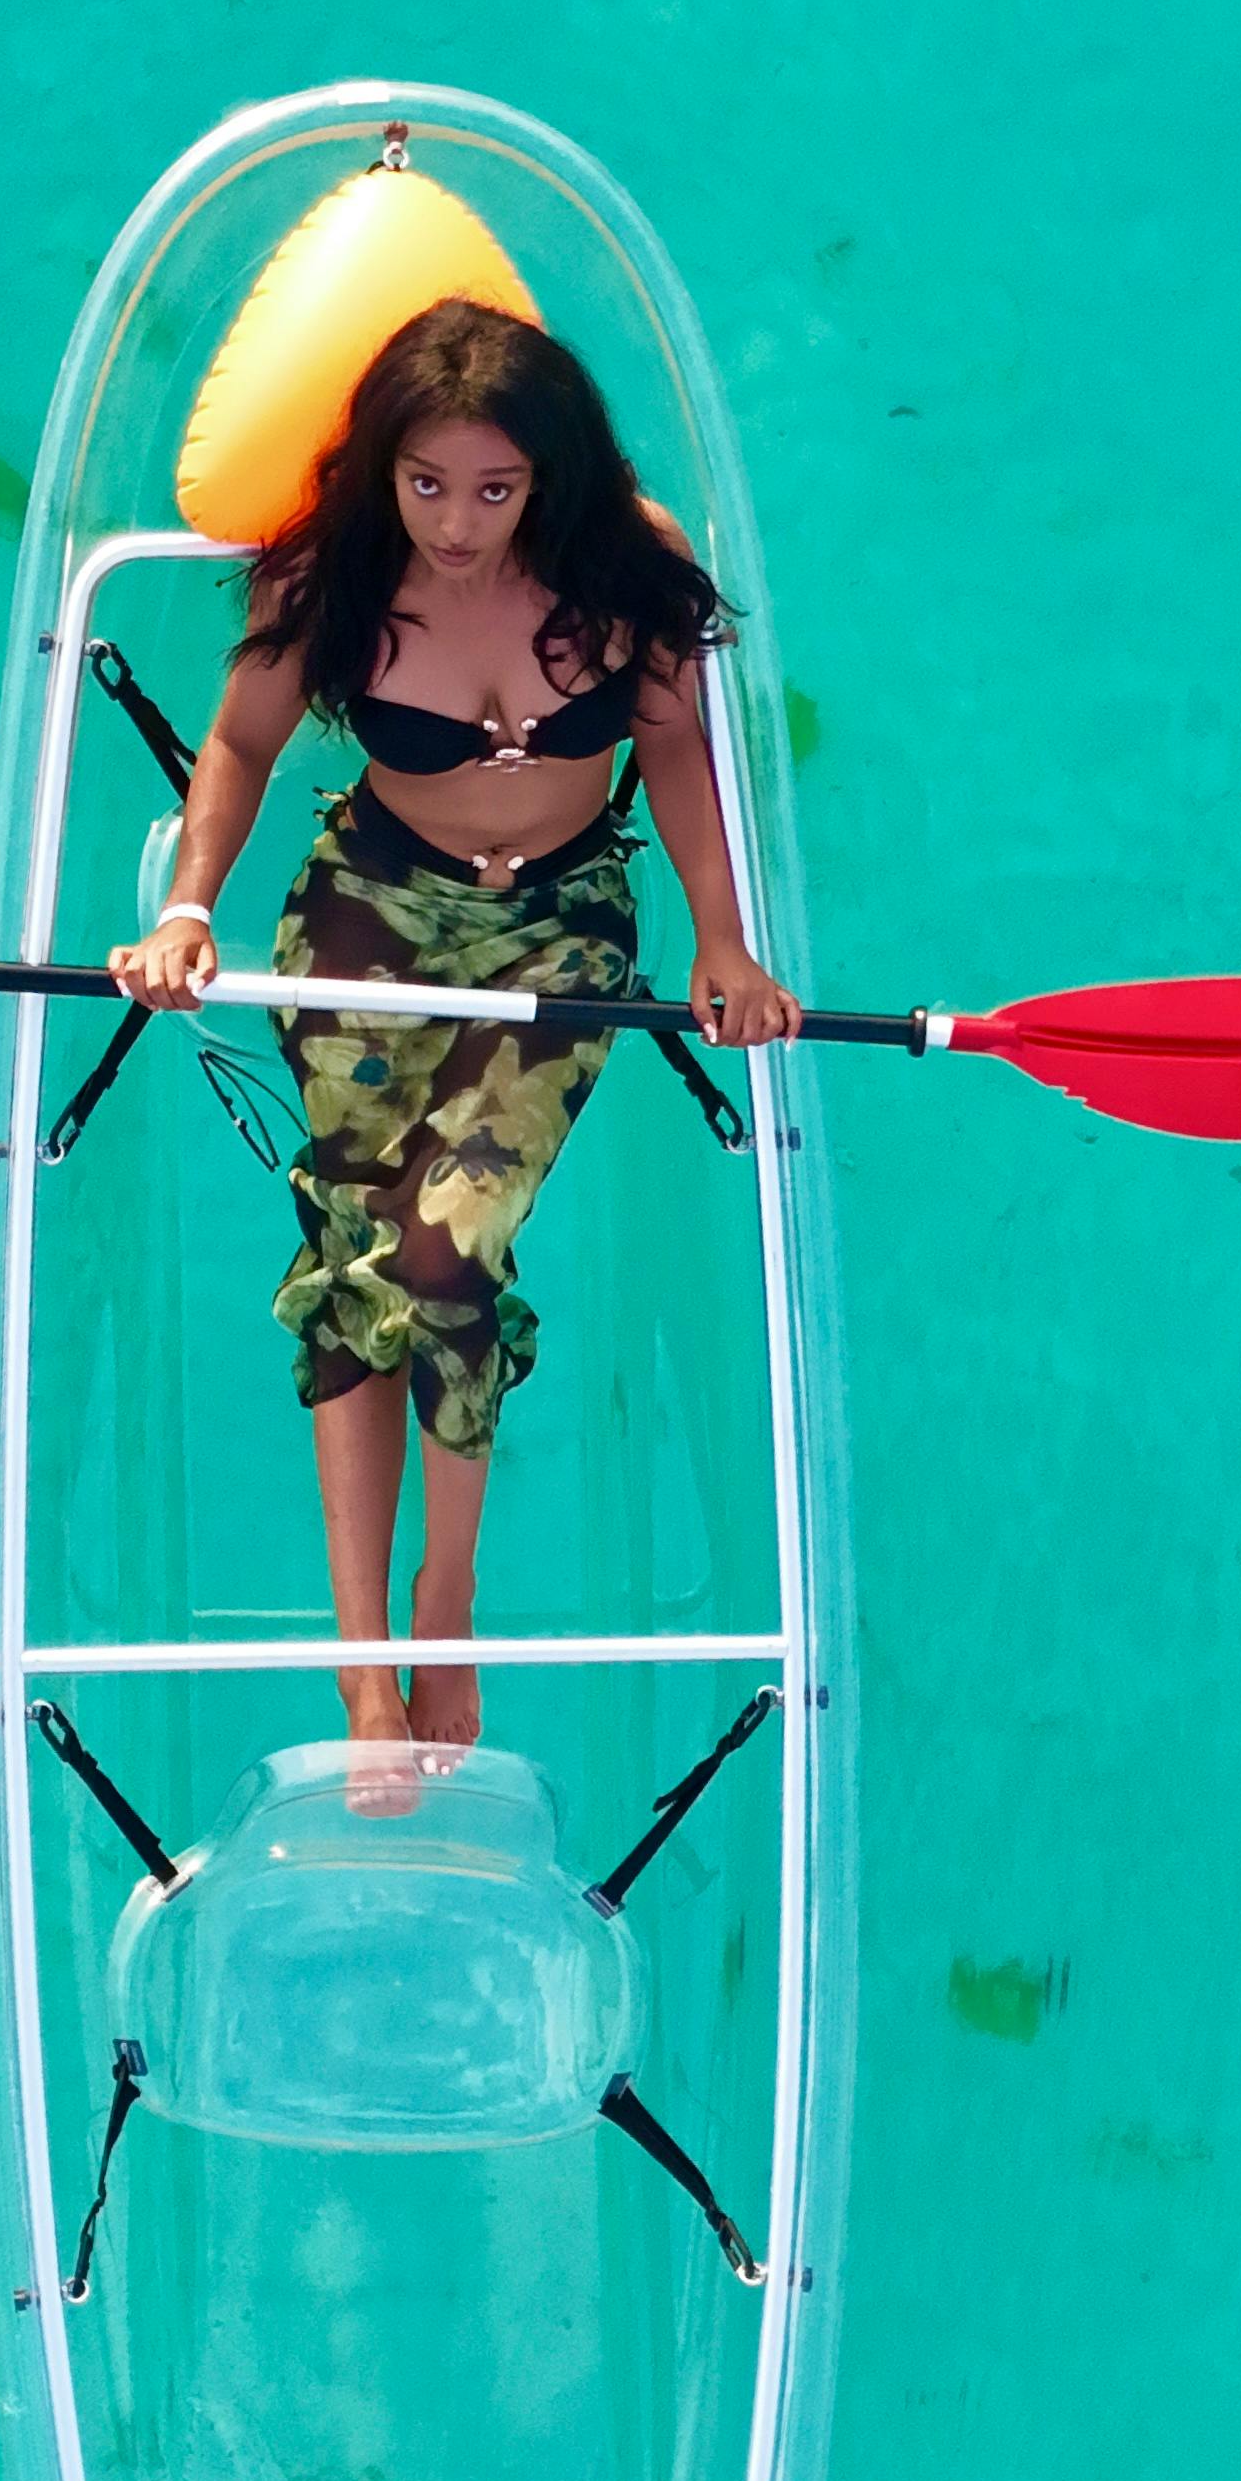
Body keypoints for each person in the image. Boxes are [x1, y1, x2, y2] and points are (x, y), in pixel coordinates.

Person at [111, 298, 799, 1805]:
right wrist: (184, 909)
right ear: (386, 466)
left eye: (496, 489)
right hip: (369, 915)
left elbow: (675, 751)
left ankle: (445, 1597)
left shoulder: (629, 563)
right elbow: (236, 749)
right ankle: (364, 1658)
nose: (460, 523)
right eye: (429, 484)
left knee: (446, 1256)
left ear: (550, 474)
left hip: (560, 933)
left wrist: (723, 943)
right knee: (355, 1249)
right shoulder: (333, 566)